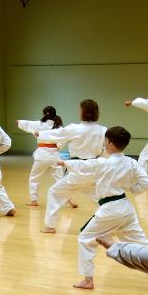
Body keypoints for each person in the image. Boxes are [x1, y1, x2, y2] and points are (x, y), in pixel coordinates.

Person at [61, 126, 148, 290]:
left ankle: (88, 280)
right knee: (141, 244)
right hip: (126, 207)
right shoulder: (131, 162)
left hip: (110, 210)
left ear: (110, 144)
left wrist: (64, 162)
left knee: (85, 238)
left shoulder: (104, 163)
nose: (103, 144)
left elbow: (85, 165)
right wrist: (133, 189)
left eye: (105, 141)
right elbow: (146, 182)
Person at [40, 98, 107, 233]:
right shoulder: (103, 130)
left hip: (77, 171)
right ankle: (110, 222)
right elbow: (105, 151)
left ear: (82, 112)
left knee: (54, 192)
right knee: (102, 199)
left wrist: (39, 133)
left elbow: (56, 134)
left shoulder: (74, 128)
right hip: (94, 170)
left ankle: (49, 226)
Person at [16, 105, 65, 207]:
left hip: (42, 155)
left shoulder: (39, 124)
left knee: (34, 178)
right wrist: (58, 147)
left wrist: (19, 122)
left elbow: (28, 124)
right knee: (60, 178)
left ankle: (33, 200)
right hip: (55, 155)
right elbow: (63, 140)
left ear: (44, 114)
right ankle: (68, 198)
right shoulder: (59, 127)